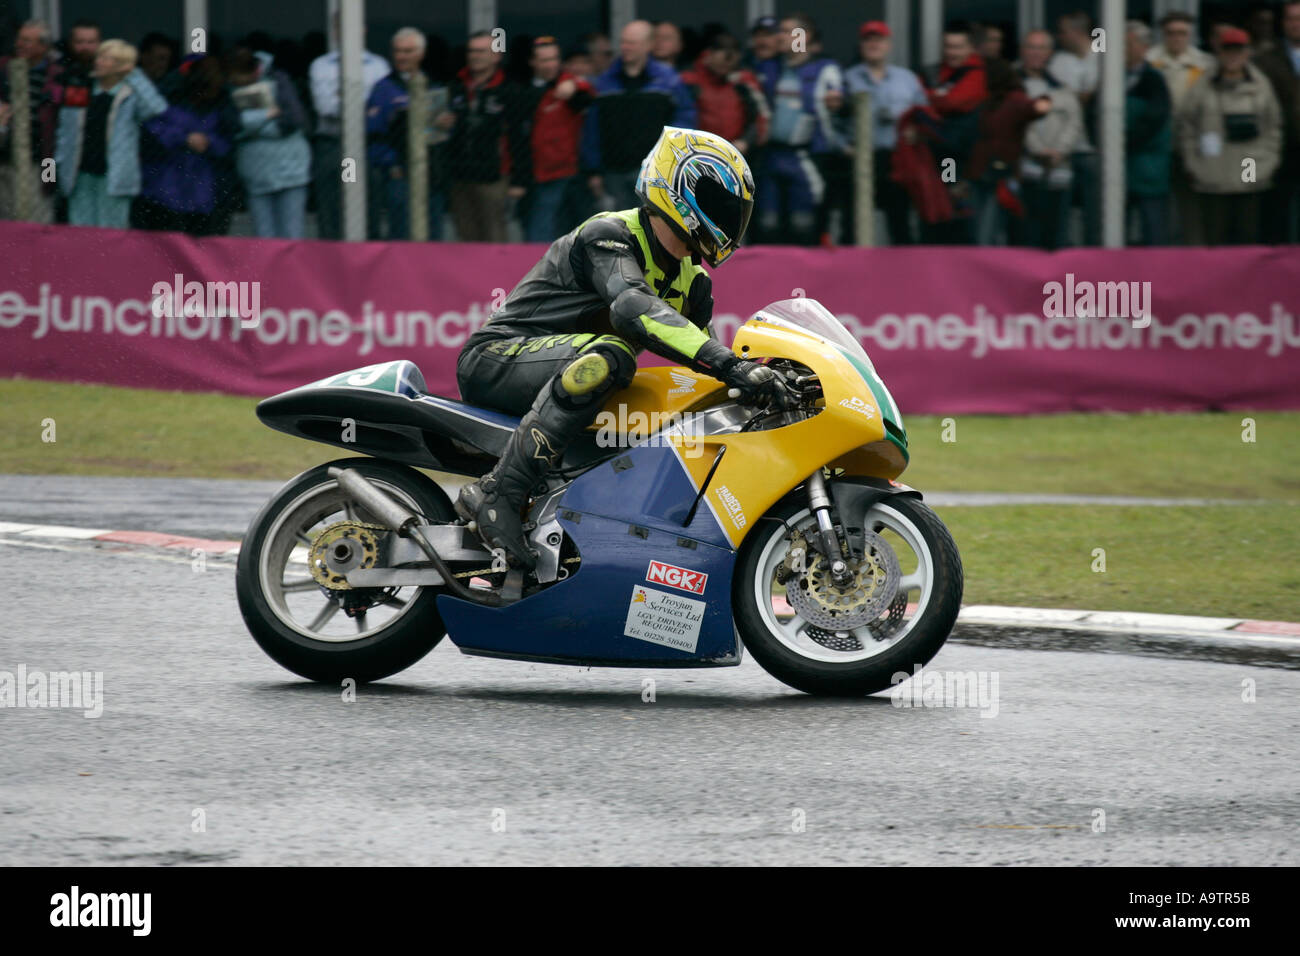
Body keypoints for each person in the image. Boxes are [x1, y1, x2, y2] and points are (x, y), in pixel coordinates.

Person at [454, 128, 778, 569]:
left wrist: (759, 379)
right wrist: (729, 365)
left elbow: (703, 362)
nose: (730, 221)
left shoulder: (695, 283)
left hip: (568, 379)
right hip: (497, 360)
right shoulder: (608, 234)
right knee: (610, 356)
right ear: (679, 188)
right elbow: (631, 306)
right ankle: (498, 494)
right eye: (722, 206)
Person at [1180, 25, 1282, 245]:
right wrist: (1195, 165)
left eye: (1238, 50)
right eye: (1228, 50)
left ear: (1247, 53)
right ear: (1219, 52)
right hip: (1213, 174)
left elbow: (1273, 128)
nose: (1233, 56)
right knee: (1216, 239)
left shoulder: (1261, 85)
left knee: (1248, 237)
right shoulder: (1202, 86)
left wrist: (1266, 164)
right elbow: (1187, 127)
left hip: (1250, 170)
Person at [581, 20, 696, 212]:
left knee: (653, 226)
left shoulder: (669, 81)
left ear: (649, 45)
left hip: (654, 171)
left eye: (632, 43)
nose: (625, 47)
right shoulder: (605, 82)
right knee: (619, 228)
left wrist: (669, 160)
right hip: (613, 170)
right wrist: (593, 170)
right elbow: (592, 129)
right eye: (624, 42)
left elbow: (684, 121)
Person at [53, 38, 167, 229]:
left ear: (122, 66)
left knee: (111, 234)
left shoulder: (130, 95)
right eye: (100, 57)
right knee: (80, 232)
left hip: (113, 177)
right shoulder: (81, 89)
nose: (99, 62)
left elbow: (156, 108)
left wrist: (135, 75)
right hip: (79, 175)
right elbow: (65, 132)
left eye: (108, 59)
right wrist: (56, 170)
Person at [753, 12, 844, 246]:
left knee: (804, 224)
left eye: (786, 31)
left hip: (808, 157)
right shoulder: (769, 68)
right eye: (780, 31)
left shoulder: (826, 69)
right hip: (771, 156)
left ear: (805, 36)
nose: (780, 36)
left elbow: (844, 106)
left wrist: (841, 105)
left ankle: (806, 282)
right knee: (768, 223)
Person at [842, 21, 929, 245]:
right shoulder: (848, 78)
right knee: (853, 221)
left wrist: (916, 133)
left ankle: (901, 274)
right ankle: (851, 272)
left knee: (900, 218)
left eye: (878, 40)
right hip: (860, 158)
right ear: (861, 45)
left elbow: (925, 116)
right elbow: (832, 119)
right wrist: (843, 146)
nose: (874, 45)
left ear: (888, 45)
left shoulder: (907, 79)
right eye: (868, 40)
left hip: (898, 158)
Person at [439, 30, 529, 242]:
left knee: (494, 236)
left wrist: (519, 180)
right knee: (465, 236)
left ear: (496, 56)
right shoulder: (455, 87)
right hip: (459, 175)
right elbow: (438, 131)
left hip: (494, 177)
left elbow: (520, 138)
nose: (474, 56)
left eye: (481, 51)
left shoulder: (510, 91)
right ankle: (471, 277)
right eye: (471, 51)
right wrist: (441, 124)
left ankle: (499, 276)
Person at [136, 54, 239, 235]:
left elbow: (230, 141)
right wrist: (183, 138)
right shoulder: (167, 98)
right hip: (165, 189)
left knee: (204, 248)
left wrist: (209, 142)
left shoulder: (224, 104)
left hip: (206, 193)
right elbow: (151, 128)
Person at [308, 19, 389, 239]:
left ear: (363, 29)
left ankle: (368, 265)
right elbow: (325, 107)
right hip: (332, 144)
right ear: (334, 31)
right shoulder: (321, 65)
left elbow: (380, 108)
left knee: (369, 207)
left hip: (367, 144)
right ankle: (331, 266)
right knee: (330, 209)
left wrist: (342, 96)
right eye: (340, 26)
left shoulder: (378, 65)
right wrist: (363, 101)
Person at [366, 27, 443, 240]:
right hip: (399, 172)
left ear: (421, 53)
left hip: (431, 171)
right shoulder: (384, 87)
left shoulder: (434, 85)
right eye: (398, 51)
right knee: (401, 232)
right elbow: (374, 132)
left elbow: (443, 131)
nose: (401, 56)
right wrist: (391, 164)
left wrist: (446, 123)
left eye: (408, 51)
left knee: (434, 232)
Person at [228, 47, 311, 239]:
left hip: (290, 172)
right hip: (255, 175)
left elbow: (293, 120)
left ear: (254, 71)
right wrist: (267, 115)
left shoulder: (279, 80)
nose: (237, 83)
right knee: (263, 239)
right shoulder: (230, 87)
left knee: (292, 237)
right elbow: (231, 125)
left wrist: (248, 128)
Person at [517, 36, 594, 243]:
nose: (551, 64)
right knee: (536, 227)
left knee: (568, 229)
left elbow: (589, 97)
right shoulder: (523, 91)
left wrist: (576, 85)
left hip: (564, 170)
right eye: (545, 60)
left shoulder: (568, 87)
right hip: (532, 171)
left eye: (554, 59)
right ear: (533, 63)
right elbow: (517, 136)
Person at [1147, 11, 1215, 243]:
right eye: (1171, 33)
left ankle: (1193, 259)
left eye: (1182, 33)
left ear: (1190, 35)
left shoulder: (1205, 64)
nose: (1176, 38)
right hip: (1156, 145)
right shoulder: (1150, 61)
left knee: (1191, 208)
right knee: (1156, 207)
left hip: (1191, 146)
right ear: (1163, 35)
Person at [967, 59, 1051, 245]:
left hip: (993, 173)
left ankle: (986, 269)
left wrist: (1044, 102)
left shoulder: (1005, 101)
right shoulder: (997, 100)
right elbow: (1037, 108)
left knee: (985, 230)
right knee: (989, 229)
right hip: (991, 172)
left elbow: (1035, 108)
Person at [919, 20, 988, 243]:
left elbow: (954, 102)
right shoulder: (933, 71)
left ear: (971, 49)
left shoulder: (978, 73)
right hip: (933, 156)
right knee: (934, 219)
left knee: (961, 218)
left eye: (958, 47)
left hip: (960, 161)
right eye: (948, 46)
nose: (952, 52)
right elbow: (917, 99)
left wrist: (933, 99)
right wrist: (936, 99)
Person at [1015, 30, 1082, 250]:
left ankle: (1056, 281)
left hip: (1059, 166)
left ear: (1050, 53)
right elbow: (1017, 120)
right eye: (1031, 47)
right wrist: (1038, 150)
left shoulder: (1061, 89)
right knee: (1025, 231)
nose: (1036, 53)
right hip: (1024, 169)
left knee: (1056, 231)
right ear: (1022, 51)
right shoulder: (1012, 86)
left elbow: (1074, 122)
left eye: (1041, 48)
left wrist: (1059, 151)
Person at [0, 19, 63, 223]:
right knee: (8, 212)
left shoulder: (58, 74)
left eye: (28, 41)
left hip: (47, 158)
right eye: (20, 39)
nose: (20, 44)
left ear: (43, 47)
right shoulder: (4, 68)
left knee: (44, 205)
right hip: (7, 156)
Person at [1049, 11, 1100, 245]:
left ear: (1076, 32)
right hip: (1063, 149)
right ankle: (1062, 267)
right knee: (1060, 214)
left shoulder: (1102, 59)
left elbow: (1093, 101)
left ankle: (1095, 268)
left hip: (1094, 150)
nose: (1059, 37)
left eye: (1063, 31)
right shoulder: (1059, 62)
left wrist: (1078, 98)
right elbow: (1058, 102)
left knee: (1096, 214)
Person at [679, 31, 768, 159]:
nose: (725, 69)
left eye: (730, 65)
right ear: (709, 55)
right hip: (696, 155)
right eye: (721, 64)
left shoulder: (744, 82)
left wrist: (746, 141)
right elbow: (679, 118)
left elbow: (759, 117)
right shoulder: (689, 81)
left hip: (736, 155)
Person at [1123, 22, 1173, 246]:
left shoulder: (1154, 80)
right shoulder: (1109, 78)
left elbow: (1155, 119)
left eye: (1128, 43)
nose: (1123, 48)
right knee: (1113, 236)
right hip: (1116, 174)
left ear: (1143, 47)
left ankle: (1156, 281)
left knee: (1153, 234)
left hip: (1148, 170)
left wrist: (1122, 141)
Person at [1256, 0, 1300, 243]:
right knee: (1276, 213)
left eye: (1299, 18)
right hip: (1278, 150)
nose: (1296, 24)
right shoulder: (1266, 60)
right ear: (1283, 24)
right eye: (1291, 19)